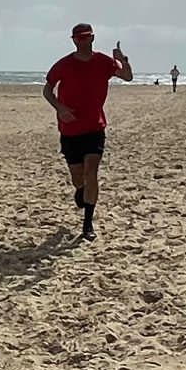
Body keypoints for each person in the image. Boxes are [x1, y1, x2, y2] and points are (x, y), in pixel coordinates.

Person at [43, 22, 131, 240]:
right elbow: (47, 89)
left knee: (92, 173)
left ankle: (87, 225)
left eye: (87, 37)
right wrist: (60, 108)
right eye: (79, 38)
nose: (83, 41)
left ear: (93, 38)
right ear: (73, 40)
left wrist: (123, 59)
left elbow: (128, 77)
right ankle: (81, 190)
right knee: (78, 177)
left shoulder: (103, 62)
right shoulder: (64, 64)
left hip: (95, 127)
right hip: (70, 129)